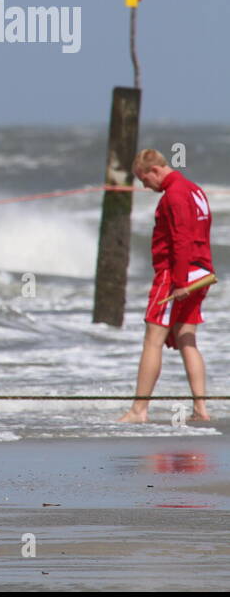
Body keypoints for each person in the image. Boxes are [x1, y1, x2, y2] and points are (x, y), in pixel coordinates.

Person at [119, 149, 215, 423]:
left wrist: (180, 281)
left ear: (156, 171)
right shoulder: (194, 189)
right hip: (202, 270)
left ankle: (139, 410)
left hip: (175, 275)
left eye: (143, 178)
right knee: (186, 337)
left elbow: (182, 239)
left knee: (153, 339)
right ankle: (201, 409)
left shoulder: (173, 195)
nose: (143, 185)